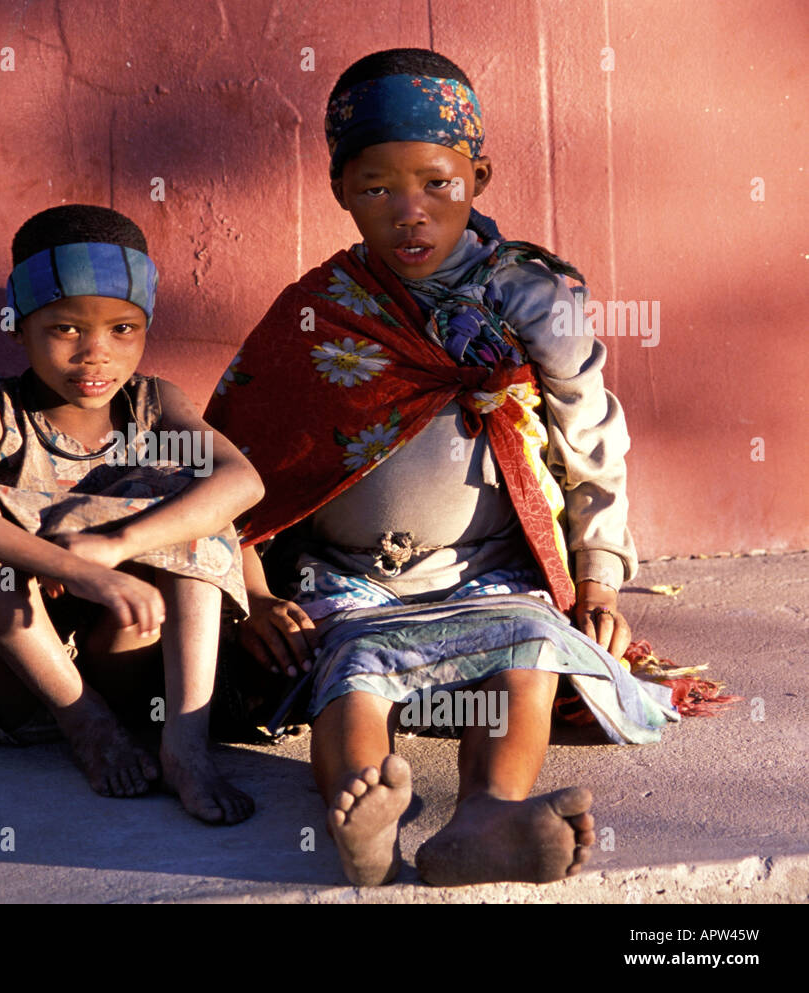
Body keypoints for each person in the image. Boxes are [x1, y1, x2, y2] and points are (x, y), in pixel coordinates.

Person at [204, 49, 680, 882]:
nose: (410, 213)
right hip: (352, 581)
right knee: (351, 674)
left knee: (529, 648)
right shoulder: (318, 315)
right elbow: (234, 466)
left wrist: (599, 578)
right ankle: (362, 812)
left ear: (479, 176)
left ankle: (487, 813)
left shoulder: (532, 296)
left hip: (489, 571)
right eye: (377, 188)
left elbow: (590, 439)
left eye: (436, 183)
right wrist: (257, 592)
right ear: (340, 191)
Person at [0, 204, 262, 824]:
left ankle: (185, 747)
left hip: (133, 657)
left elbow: (242, 480)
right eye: (65, 329)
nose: (96, 355)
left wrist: (110, 546)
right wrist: (70, 566)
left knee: (202, 494)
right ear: (18, 326)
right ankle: (88, 728)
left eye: (123, 329)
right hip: (20, 682)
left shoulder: (154, 405)